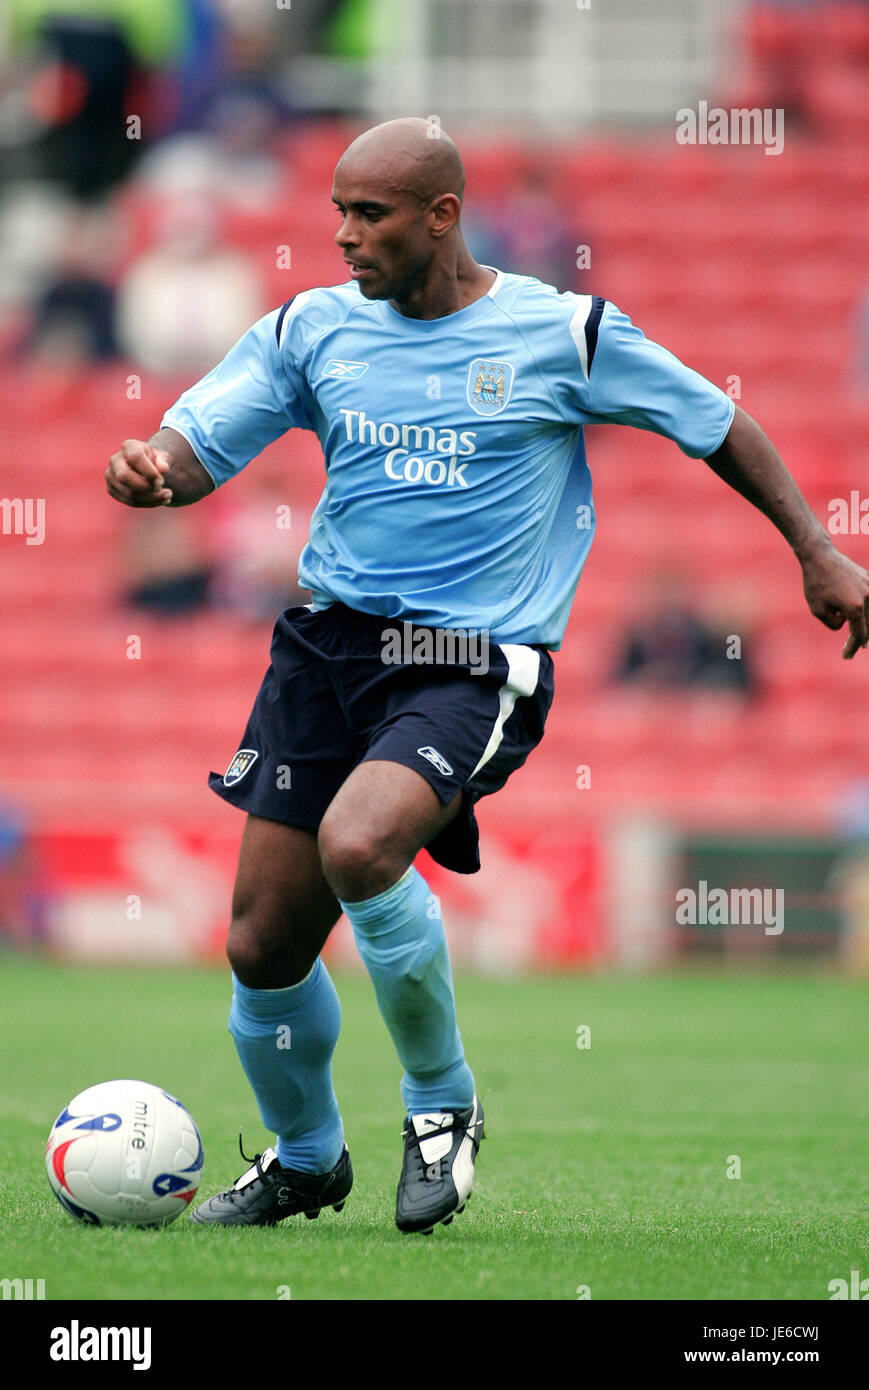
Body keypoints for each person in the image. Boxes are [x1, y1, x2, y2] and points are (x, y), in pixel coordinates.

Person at [105, 116, 869, 1236]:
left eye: (369, 215)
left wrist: (812, 547)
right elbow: (202, 437)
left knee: (360, 845)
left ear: (442, 215)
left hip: (467, 659)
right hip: (325, 648)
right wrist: (154, 470)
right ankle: (307, 1159)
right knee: (261, 943)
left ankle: (440, 1108)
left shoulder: (563, 333)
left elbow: (716, 424)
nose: (344, 236)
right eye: (336, 213)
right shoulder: (313, 328)